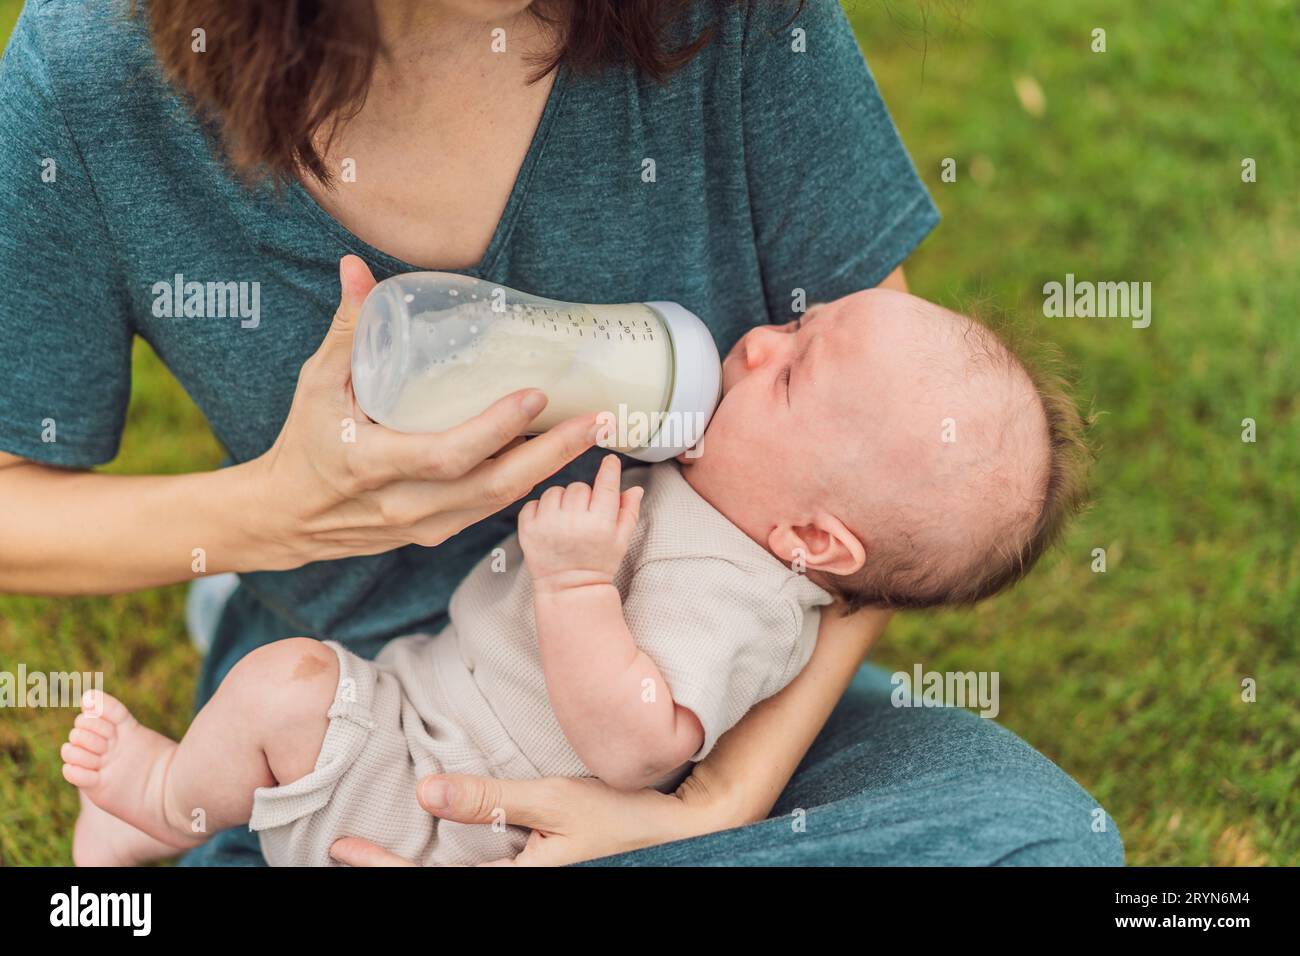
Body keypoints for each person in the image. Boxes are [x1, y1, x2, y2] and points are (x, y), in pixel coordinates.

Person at [0, 0, 1122, 866]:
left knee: (1039, 842)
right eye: (787, 334)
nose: (761, 343)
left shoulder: (726, 20)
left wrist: (714, 800)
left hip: (702, 742)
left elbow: (898, 511)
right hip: (366, 701)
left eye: (794, 356)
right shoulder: (96, 75)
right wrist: (271, 511)